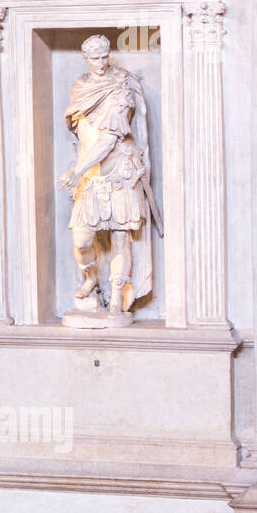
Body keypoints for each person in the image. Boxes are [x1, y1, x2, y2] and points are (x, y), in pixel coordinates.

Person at [56, 34, 160, 319]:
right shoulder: (80, 88)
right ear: (85, 58)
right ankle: (90, 276)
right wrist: (81, 169)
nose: (101, 63)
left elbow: (108, 140)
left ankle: (116, 299)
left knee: (121, 238)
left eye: (105, 57)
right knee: (82, 240)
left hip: (120, 173)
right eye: (94, 58)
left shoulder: (121, 87)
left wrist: (75, 171)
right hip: (91, 174)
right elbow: (83, 134)